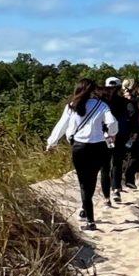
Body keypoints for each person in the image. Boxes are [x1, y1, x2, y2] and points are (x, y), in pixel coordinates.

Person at [45, 77, 117, 228]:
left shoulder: (72, 105)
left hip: (80, 148)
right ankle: (85, 209)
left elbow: (61, 126)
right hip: (99, 146)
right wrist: (111, 133)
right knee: (91, 181)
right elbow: (111, 123)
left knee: (84, 184)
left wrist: (51, 143)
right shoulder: (101, 105)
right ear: (93, 90)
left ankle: (90, 220)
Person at [101, 76, 135, 202]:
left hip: (103, 135)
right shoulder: (124, 102)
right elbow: (132, 116)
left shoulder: (101, 102)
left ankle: (106, 195)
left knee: (105, 164)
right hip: (120, 135)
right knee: (117, 162)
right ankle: (116, 189)